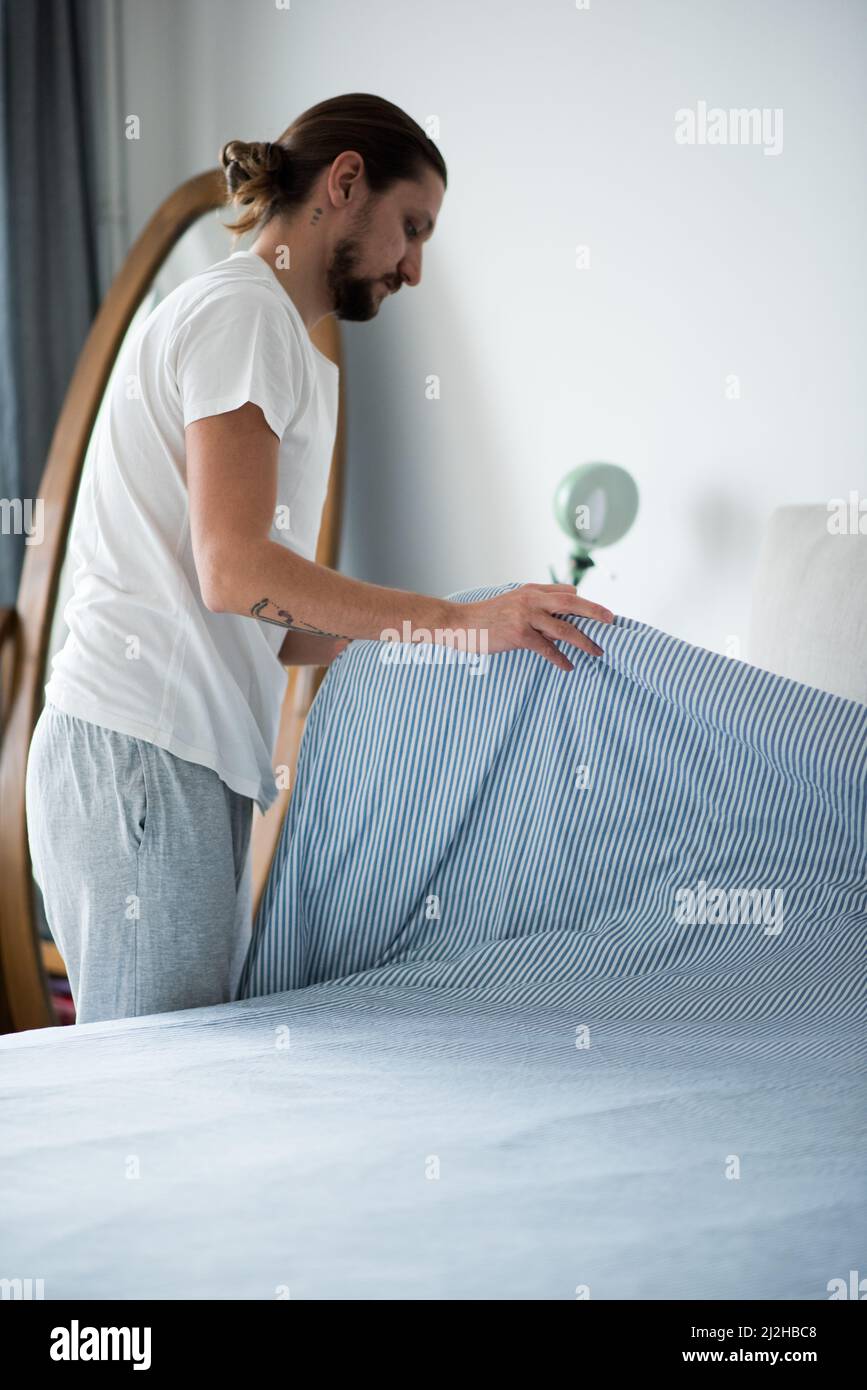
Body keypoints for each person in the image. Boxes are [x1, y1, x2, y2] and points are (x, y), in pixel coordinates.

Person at [25, 92, 613, 1026]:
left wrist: (462, 634)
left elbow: (274, 626)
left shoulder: (277, 343)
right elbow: (238, 572)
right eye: (410, 228)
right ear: (344, 182)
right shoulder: (242, 317)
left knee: (175, 1079)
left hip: (166, 758)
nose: (415, 266)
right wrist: (456, 622)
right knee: (162, 1088)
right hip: (143, 755)